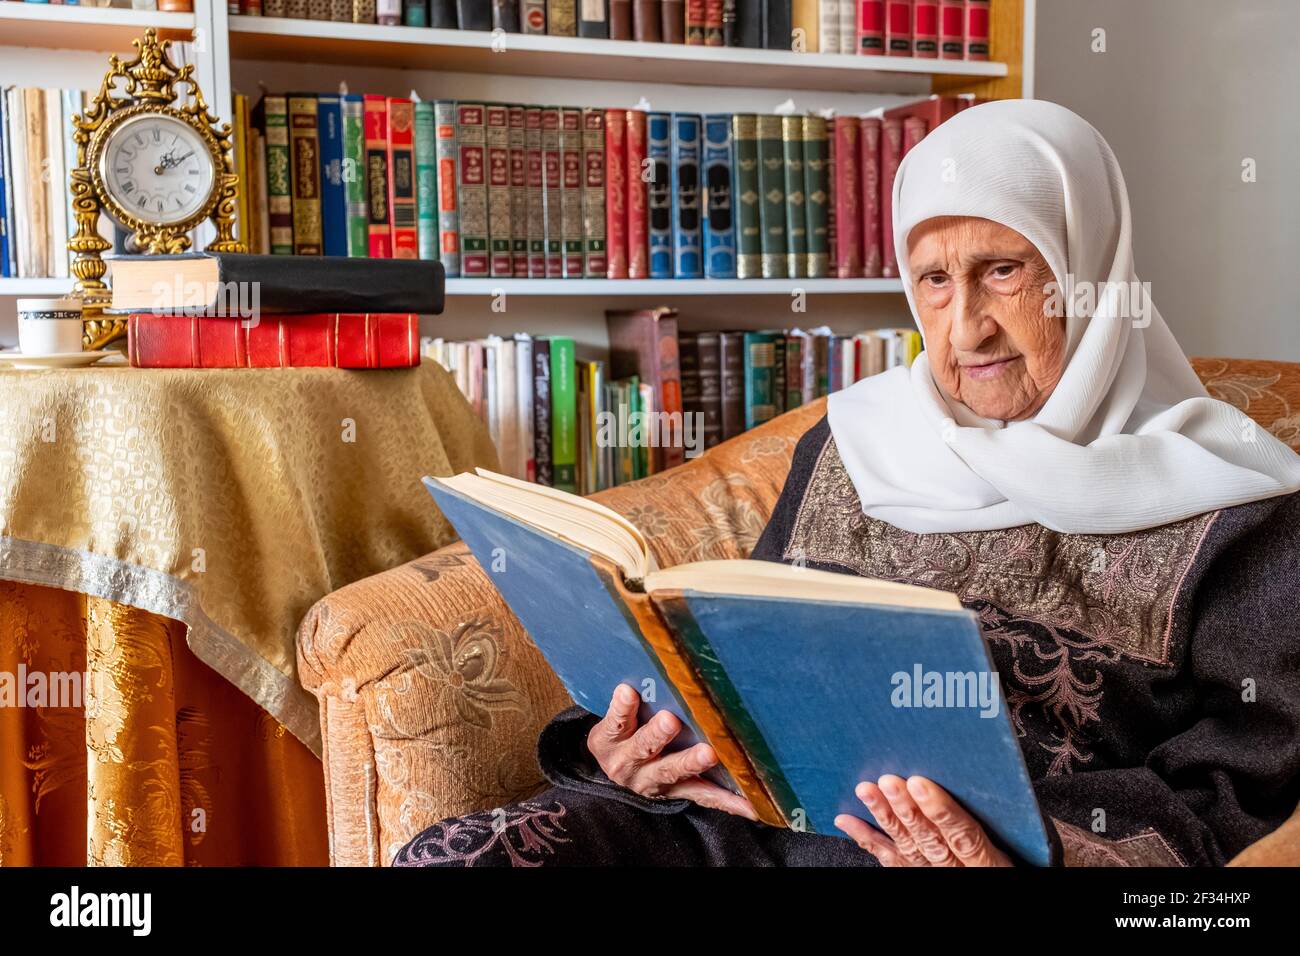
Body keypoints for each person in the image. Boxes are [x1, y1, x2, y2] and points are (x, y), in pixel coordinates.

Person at [394, 100, 1300, 868]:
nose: (968, 328)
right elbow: (744, 650)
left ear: (1090, 269)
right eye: (934, 281)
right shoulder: (855, 440)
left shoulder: (1234, 506)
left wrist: (1036, 851)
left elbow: (1248, 787)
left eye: (1004, 271)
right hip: (735, 835)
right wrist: (638, 747)